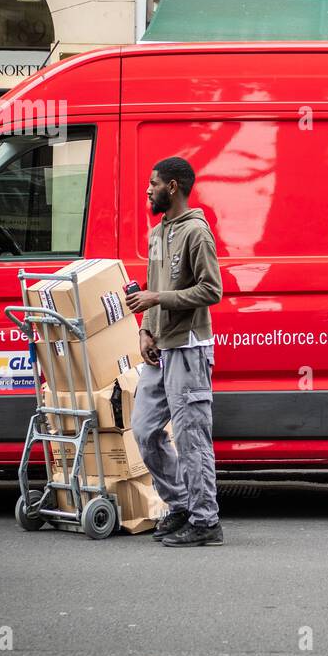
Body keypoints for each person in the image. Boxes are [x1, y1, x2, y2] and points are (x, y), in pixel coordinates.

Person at [126, 157, 224, 547]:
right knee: (145, 430)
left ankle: (206, 522)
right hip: (161, 349)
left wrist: (157, 299)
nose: (147, 190)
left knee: (191, 438)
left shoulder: (197, 233)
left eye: (153, 184)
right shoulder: (157, 233)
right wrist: (146, 330)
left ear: (172, 187)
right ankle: (180, 504)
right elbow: (152, 286)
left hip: (189, 349)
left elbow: (211, 290)